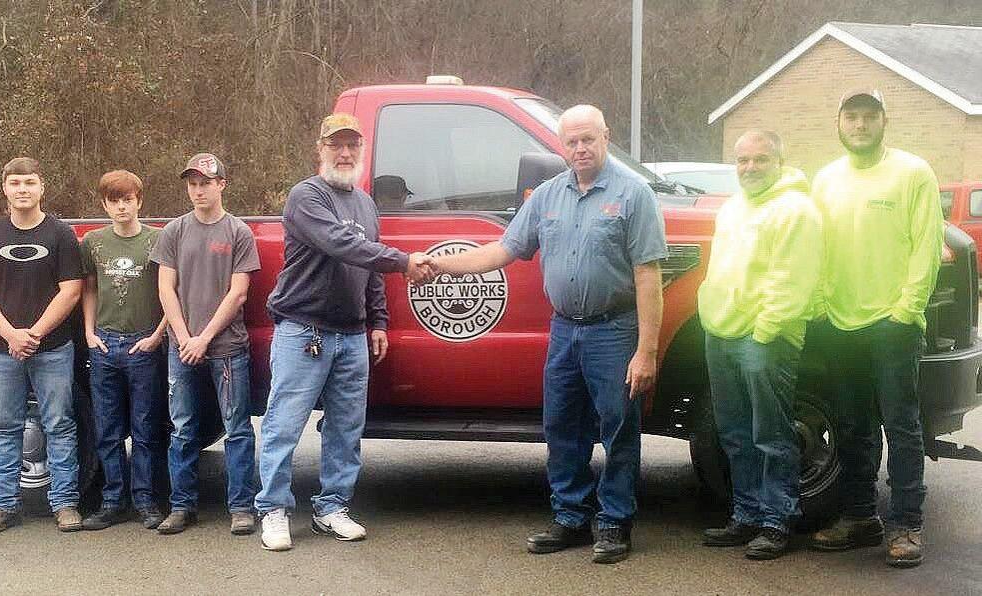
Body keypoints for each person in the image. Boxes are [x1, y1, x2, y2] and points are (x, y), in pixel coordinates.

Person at [427, 105, 666, 564]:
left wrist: (647, 351)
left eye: (588, 139)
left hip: (614, 331)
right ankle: (571, 517)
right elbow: (502, 250)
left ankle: (615, 521)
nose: (580, 148)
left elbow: (647, 275)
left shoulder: (634, 194)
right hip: (564, 331)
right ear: (561, 144)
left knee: (619, 430)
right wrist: (436, 264)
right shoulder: (547, 195)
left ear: (605, 136)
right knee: (561, 428)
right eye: (571, 141)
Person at [256, 113, 433, 552]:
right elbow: (342, 244)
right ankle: (274, 510)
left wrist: (378, 321)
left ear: (362, 150)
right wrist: (405, 261)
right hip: (304, 329)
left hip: (351, 335)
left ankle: (331, 507)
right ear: (321, 149)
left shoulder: (366, 204)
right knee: (283, 424)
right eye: (336, 144)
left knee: (346, 428)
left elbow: (369, 266)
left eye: (353, 144)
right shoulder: (306, 196)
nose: (345, 152)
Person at [808, 89, 943, 568]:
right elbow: (817, 247)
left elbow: (926, 247)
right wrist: (823, 302)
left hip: (893, 324)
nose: (860, 124)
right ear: (839, 123)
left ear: (885, 121)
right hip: (839, 324)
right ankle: (860, 516)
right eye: (852, 116)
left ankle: (907, 524)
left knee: (902, 427)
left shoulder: (912, 173)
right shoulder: (825, 180)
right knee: (851, 427)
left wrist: (906, 311)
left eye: (869, 116)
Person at [697, 131, 822, 559]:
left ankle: (777, 520)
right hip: (722, 333)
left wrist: (764, 331)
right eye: (743, 160)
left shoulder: (796, 210)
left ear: (780, 161)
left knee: (771, 433)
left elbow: (791, 280)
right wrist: (712, 318)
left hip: (764, 339)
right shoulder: (732, 208)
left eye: (760, 160)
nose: (749, 168)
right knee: (734, 432)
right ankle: (746, 514)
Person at [0, 157, 85, 536]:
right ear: (5, 188)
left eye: (29, 182)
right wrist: (11, 335)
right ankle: (3, 507)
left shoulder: (61, 234)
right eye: (15, 182)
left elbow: (72, 290)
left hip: (52, 348)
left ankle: (65, 504)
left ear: (41, 187)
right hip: (1, 352)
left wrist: (33, 333)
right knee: (4, 427)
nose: (22, 189)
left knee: (60, 425)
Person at [149, 152, 260, 535]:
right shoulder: (174, 231)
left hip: (227, 348)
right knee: (181, 427)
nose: (198, 191)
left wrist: (204, 338)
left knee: (238, 428)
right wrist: (183, 337)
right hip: (182, 347)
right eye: (192, 184)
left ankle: (242, 507)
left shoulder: (238, 233)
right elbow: (166, 286)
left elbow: (238, 293)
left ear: (221, 185)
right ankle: (182, 506)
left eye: (205, 183)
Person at [79, 170, 168, 531]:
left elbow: (168, 291)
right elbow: (89, 289)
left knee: (145, 427)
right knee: (107, 429)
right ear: (104, 204)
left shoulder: (158, 240)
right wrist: (89, 333)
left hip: (143, 344)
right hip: (104, 344)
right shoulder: (93, 242)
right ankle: (113, 500)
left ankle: (145, 500)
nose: (121, 206)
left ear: (139, 201)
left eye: (127, 199)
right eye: (114, 200)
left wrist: (158, 335)